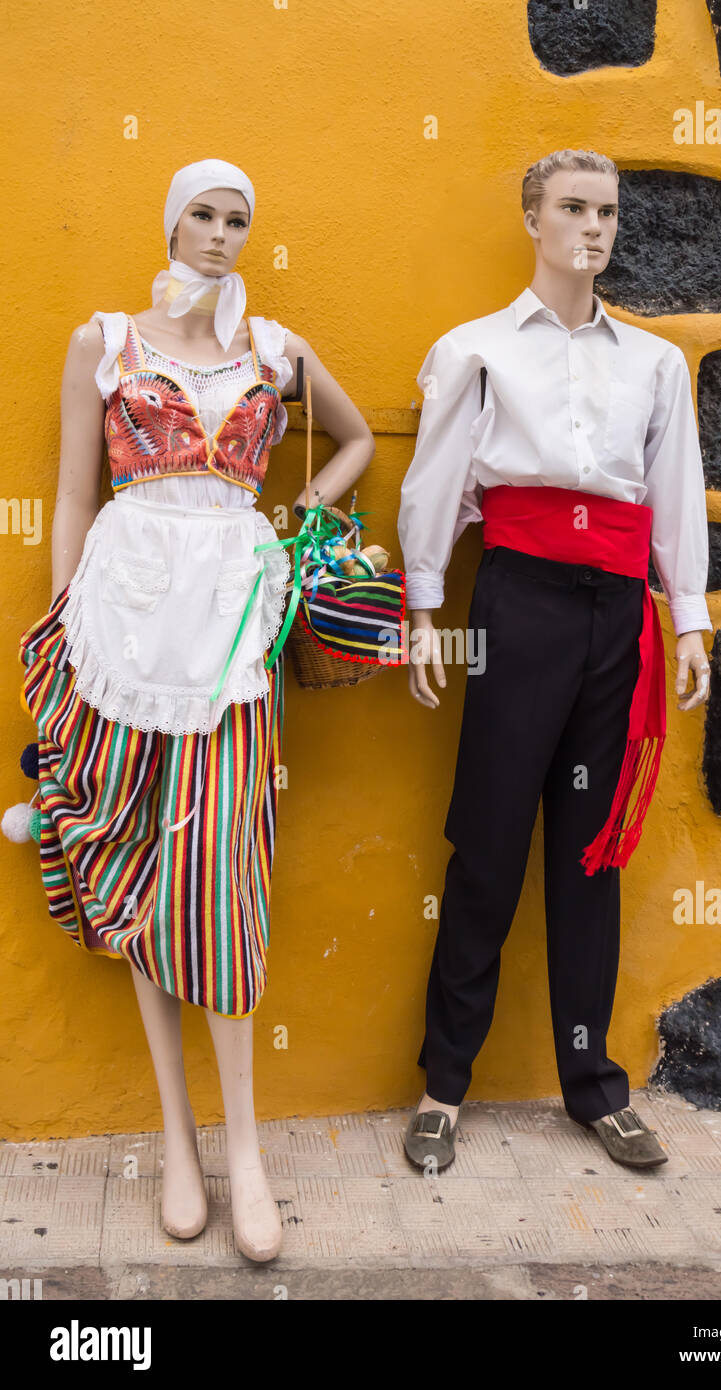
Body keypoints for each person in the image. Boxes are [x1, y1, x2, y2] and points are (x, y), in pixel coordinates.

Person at [18, 158, 375, 1258]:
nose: (221, 234)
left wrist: (289, 515)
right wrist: (60, 643)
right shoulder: (107, 342)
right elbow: (75, 495)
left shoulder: (279, 352)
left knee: (222, 878)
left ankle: (246, 1151)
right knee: (138, 863)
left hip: (230, 637)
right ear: (171, 220)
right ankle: (178, 1141)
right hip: (124, 630)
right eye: (204, 215)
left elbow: (354, 441)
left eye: (238, 218)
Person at [398, 148, 712, 1172]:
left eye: (608, 210)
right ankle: (445, 1083)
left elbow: (674, 495)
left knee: (592, 853)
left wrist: (694, 617)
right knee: (486, 847)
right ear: (532, 219)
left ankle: (592, 1084)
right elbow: (438, 482)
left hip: (617, 615)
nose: (595, 226)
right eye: (574, 207)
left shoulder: (654, 362)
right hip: (517, 601)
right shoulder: (477, 351)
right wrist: (424, 604)